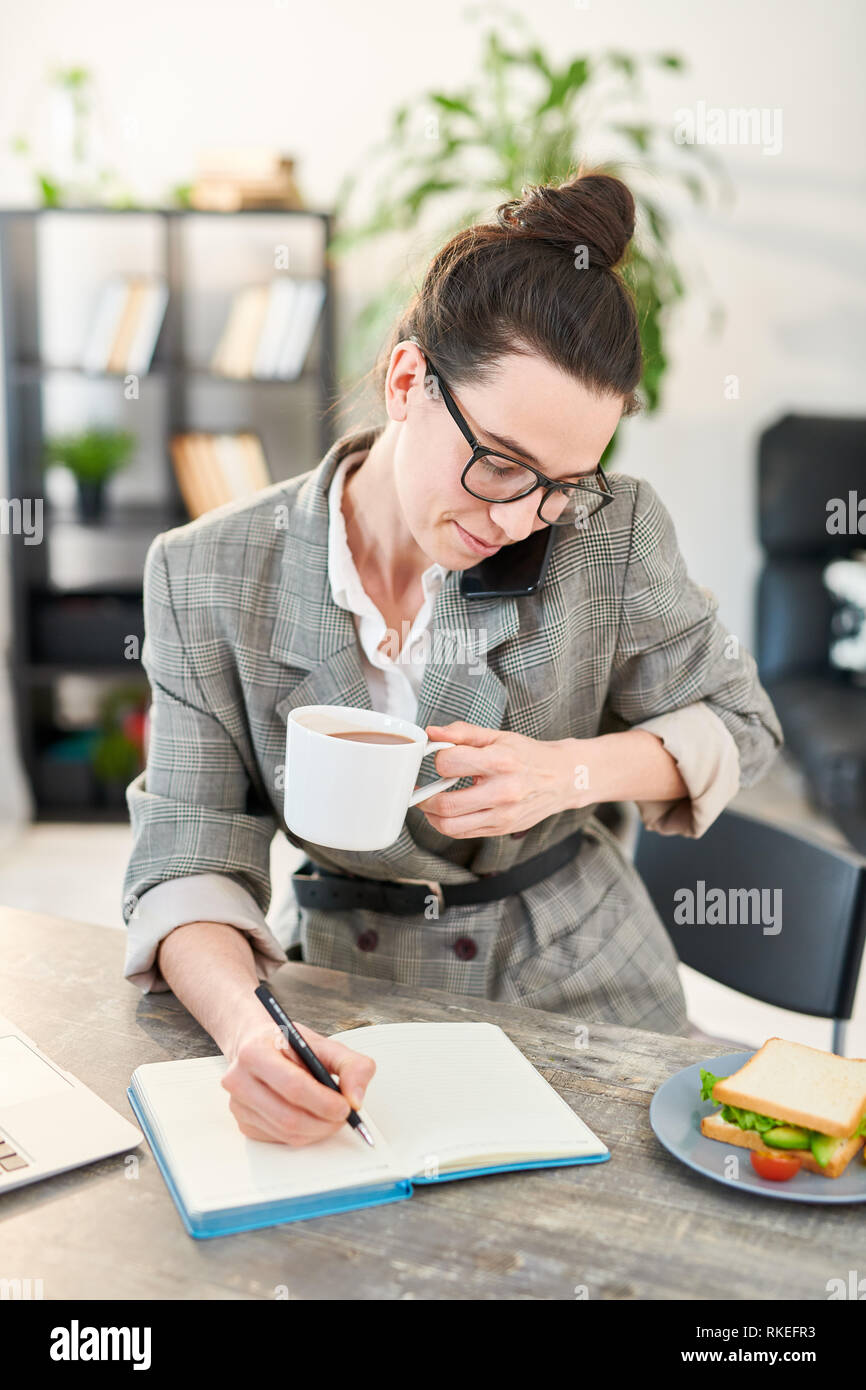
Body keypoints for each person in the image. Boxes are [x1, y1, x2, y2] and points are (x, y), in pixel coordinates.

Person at [121, 168, 783, 1148]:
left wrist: (568, 772)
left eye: (558, 483)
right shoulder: (208, 573)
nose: (518, 518)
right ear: (405, 382)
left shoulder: (608, 530)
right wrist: (251, 1032)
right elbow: (187, 857)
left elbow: (738, 724)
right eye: (500, 464)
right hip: (353, 992)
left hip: (585, 988)